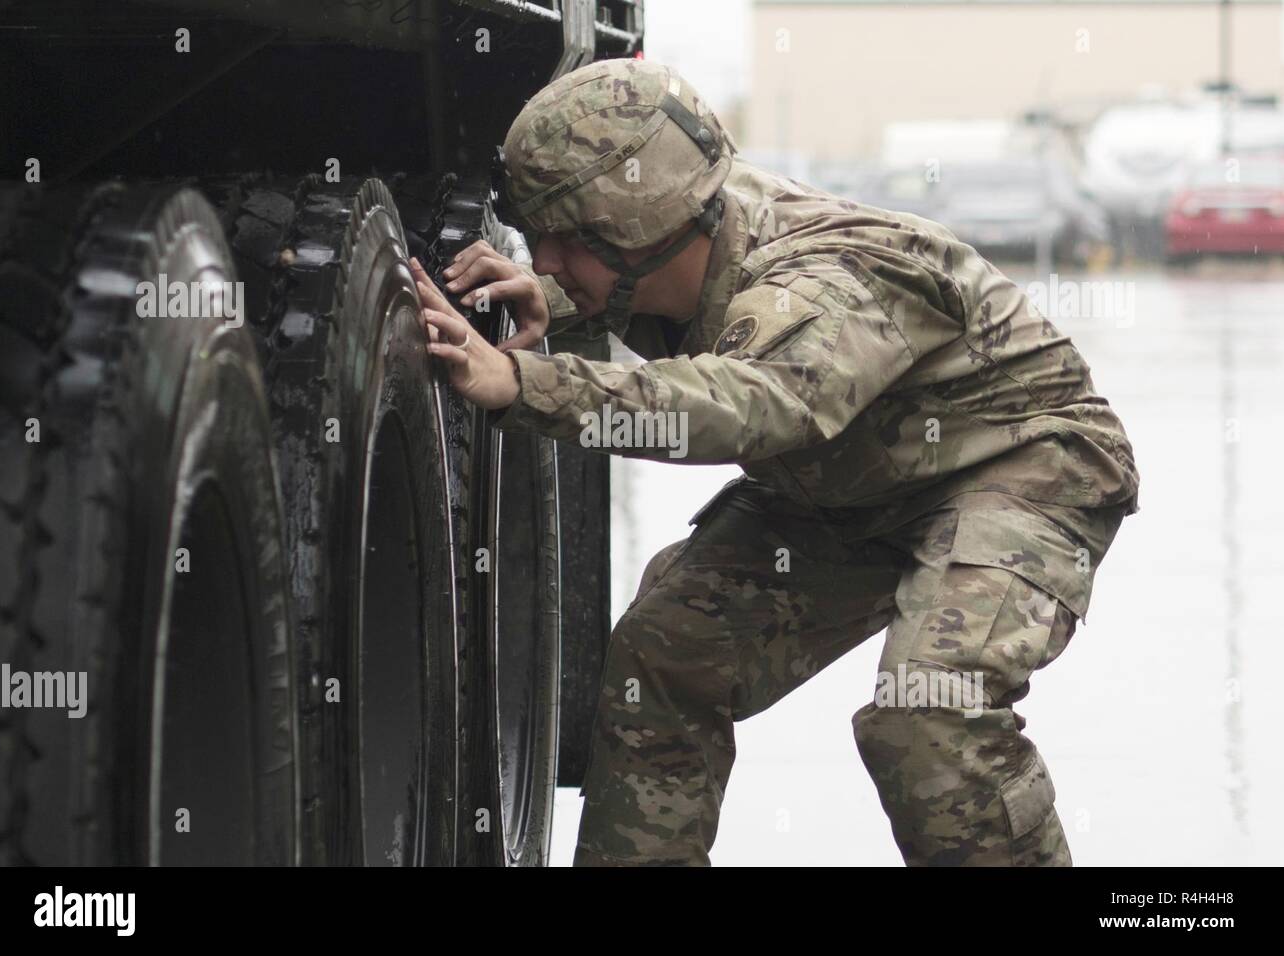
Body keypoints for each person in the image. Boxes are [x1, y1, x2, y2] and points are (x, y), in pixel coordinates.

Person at [407, 57, 1140, 867]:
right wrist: (556, 304)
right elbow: (674, 318)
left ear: (635, 230)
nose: (542, 259)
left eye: (566, 240)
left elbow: (747, 405)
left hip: (1016, 466)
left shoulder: (830, 277)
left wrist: (523, 383)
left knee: (929, 711)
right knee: (665, 651)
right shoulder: (685, 229)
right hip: (842, 483)